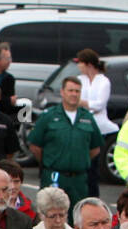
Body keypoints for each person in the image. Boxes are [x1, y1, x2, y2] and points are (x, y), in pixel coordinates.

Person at [27, 75, 102, 210]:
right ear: (62, 92)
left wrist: (78, 159)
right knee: (50, 214)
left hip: (78, 180)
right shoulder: (49, 116)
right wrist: (52, 160)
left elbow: (95, 148)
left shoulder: (87, 118)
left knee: (78, 217)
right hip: (54, 176)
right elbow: (35, 145)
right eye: (70, 90)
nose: (74, 94)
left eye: (77, 91)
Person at [74, 49, 116, 198]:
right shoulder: (80, 79)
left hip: (99, 127)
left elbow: (99, 104)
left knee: (93, 166)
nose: (78, 66)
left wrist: (83, 103)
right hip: (82, 126)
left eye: (80, 63)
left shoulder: (103, 81)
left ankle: (93, 196)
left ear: (89, 64)